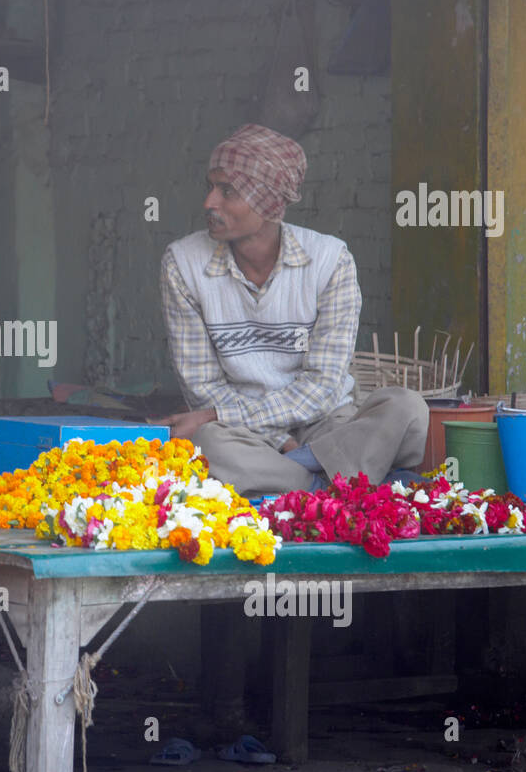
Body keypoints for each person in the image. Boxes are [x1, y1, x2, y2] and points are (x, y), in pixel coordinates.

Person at [150, 123, 428, 499]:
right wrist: (278, 440)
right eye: (210, 186)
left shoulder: (330, 261)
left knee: (407, 408)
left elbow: (323, 386)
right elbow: (204, 390)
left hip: (326, 425)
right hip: (245, 437)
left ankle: (297, 478)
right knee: (206, 443)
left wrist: (232, 422)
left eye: (227, 191)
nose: (209, 203)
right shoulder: (182, 264)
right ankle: (331, 483)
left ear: (266, 202)